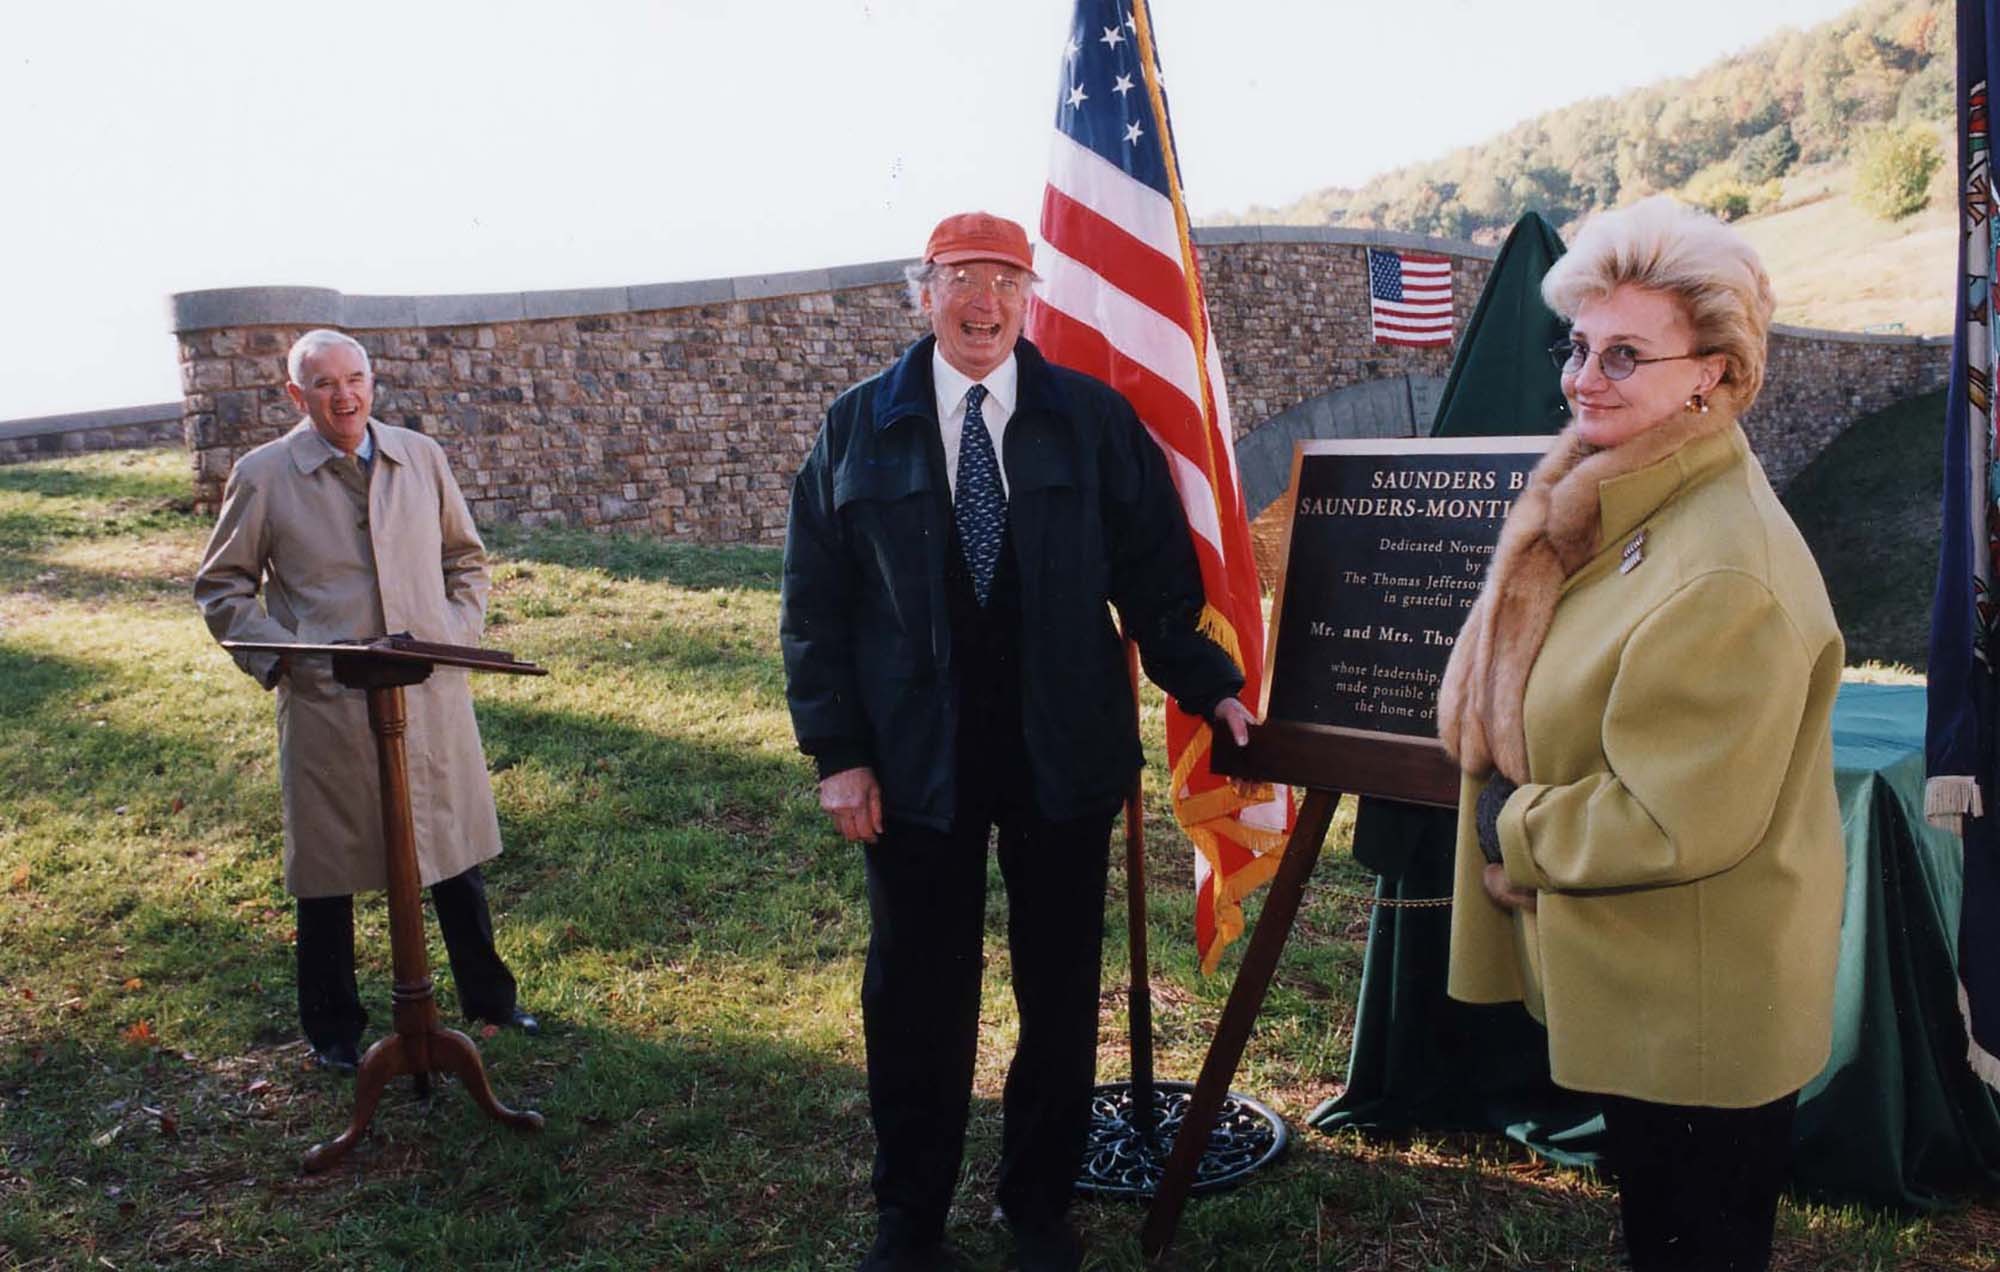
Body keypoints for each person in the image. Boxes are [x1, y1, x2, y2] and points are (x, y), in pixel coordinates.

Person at [780, 211, 1254, 1272]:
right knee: (913, 993)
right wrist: (838, 754)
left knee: (1056, 988)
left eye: (1002, 279)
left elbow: (1156, 583)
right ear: (922, 293)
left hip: (1063, 755)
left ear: (1027, 294)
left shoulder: (1089, 419)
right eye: (959, 280)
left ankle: (1037, 1205)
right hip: (912, 767)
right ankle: (908, 1216)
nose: (981, 302)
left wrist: (1212, 689)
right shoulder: (856, 425)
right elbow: (815, 609)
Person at [1437, 197, 1844, 1272]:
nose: (1581, 379)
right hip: (1650, 981)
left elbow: (1670, 817)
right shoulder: (1614, 494)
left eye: (1623, 354)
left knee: (1694, 1242)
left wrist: (1507, 826)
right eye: (1576, 346)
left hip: (1700, 1000)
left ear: (1711, 373)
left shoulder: (1723, 564)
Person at [194, 329, 537, 1075]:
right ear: (296, 395)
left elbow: (466, 559)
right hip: (330, 701)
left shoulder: (422, 457)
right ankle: (334, 1030)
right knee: (329, 870)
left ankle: (489, 999)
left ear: (373, 382)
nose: (344, 396)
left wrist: (452, 633)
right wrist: (294, 660)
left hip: (429, 689)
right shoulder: (263, 475)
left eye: (355, 379)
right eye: (323, 384)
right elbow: (222, 589)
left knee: (450, 850)